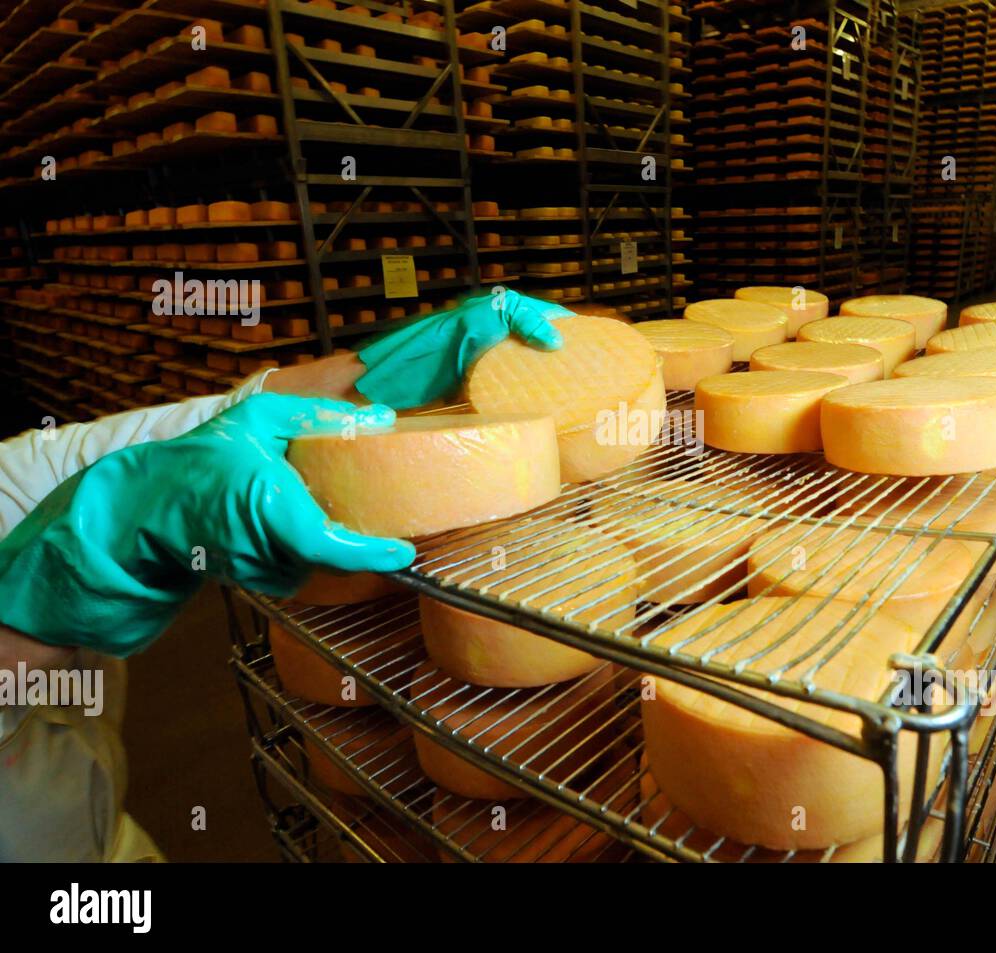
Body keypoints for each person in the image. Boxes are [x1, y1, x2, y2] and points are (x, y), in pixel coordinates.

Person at [0, 290, 569, 861]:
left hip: (105, 832)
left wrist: (396, 365)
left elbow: (210, 420)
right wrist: (110, 537)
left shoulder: (13, 465)